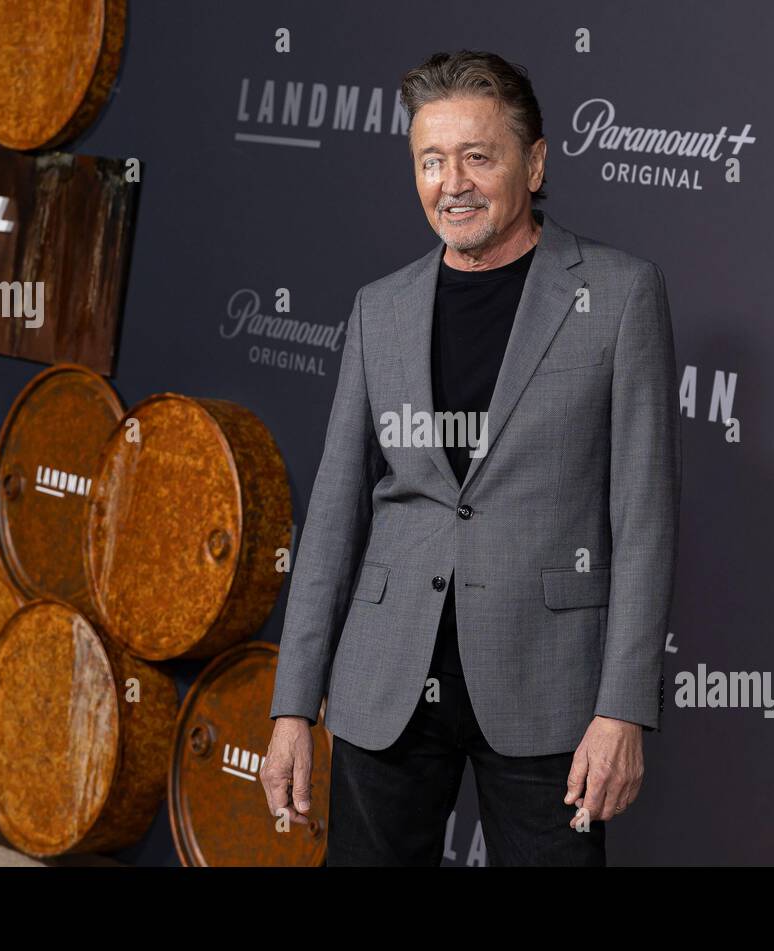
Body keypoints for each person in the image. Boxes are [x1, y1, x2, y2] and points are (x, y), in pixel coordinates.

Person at [261, 49, 681, 866]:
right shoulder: (378, 309)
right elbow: (335, 517)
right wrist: (290, 707)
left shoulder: (620, 295)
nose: (452, 182)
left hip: (547, 686)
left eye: (478, 157)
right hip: (385, 680)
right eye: (431, 160)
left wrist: (624, 710)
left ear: (535, 161)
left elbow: (645, 521)